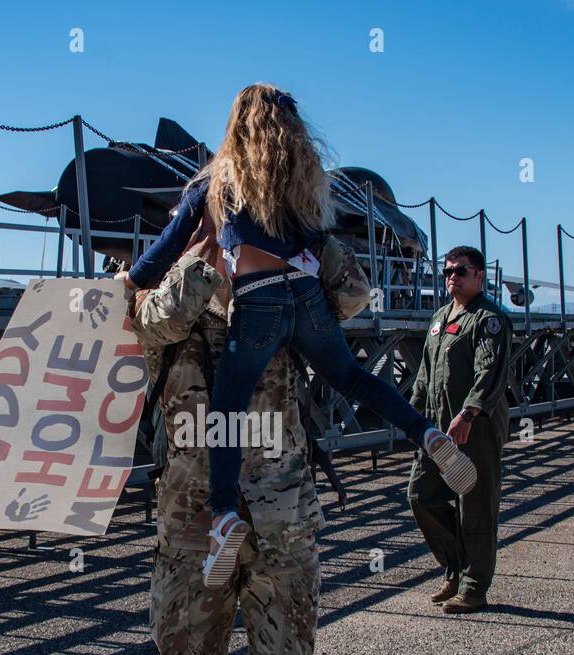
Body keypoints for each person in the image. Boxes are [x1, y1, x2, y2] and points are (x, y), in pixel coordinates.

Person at [118, 82, 466, 589]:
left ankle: (222, 519)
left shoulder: (219, 180)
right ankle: (427, 434)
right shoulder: (300, 179)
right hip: (305, 296)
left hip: (257, 303)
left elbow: (157, 260)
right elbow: (322, 247)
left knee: (226, 411)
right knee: (351, 376)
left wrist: (124, 283)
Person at [129, 210, 370, 655]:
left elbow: (353, 296)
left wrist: (306, 231)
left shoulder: (292, 298)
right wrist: (205, 247)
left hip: (278, 517)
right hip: (191, 521)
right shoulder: (173, 296)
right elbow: (155, 317)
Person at [408, 245, 512, 613]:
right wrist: (412, 417)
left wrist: (469, 414)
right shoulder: (439, 318)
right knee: (422, 496)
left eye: (461, 270)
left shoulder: (489, 319)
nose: (453, 276)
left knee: (475, 505)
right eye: (448, 271)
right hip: (436, 426)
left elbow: (491, 372)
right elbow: (425, 373)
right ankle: (455, 566)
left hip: (473, 426)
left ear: (479, 276)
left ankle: (474, 587)